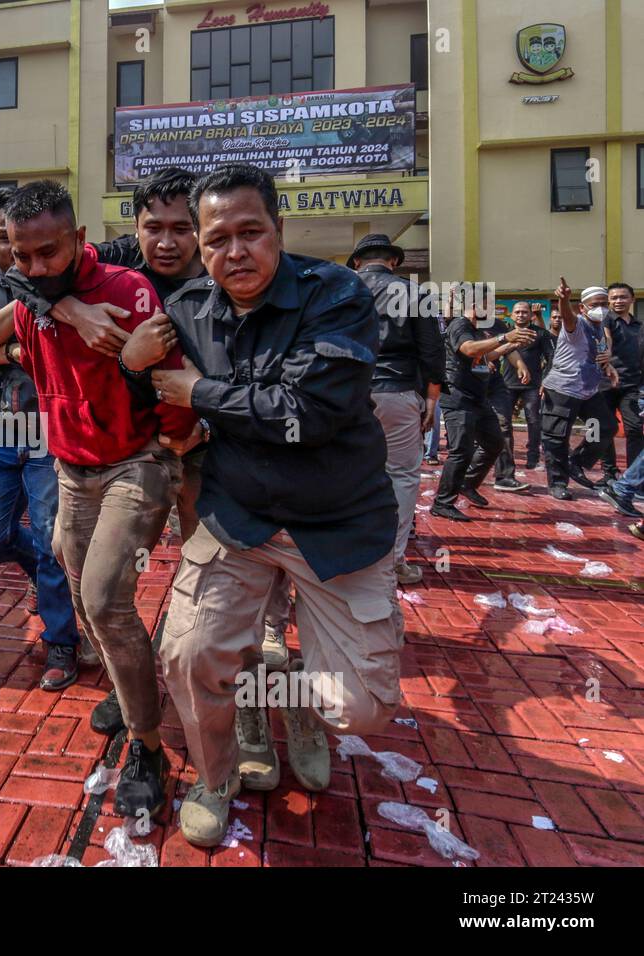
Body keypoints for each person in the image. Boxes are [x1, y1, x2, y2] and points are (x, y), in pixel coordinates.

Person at [141, 164, 404, 846]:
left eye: (251, 232)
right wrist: (128, 358)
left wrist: (199, 394)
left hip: (338, 522)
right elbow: (145, 377)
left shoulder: (337, 295)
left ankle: (298, 706)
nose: (235, 252)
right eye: (217, 238)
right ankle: (218, 772)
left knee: (362, 708)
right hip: (240, 518)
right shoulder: (188, 310)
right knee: (189, 654)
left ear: (279, 231)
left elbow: (310, 412)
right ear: (201, 247)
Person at [4, 180, 198, 819]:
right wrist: (52, 304)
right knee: (75, 573)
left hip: (136, 462)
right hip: (69, 467)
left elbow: (162, 382)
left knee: (104, 597)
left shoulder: (127, 290)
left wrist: (173, 450)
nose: (35, 267)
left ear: (80, 239)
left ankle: (146, 746)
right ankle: (126, 680)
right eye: (20, 254)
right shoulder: (34, 295)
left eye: (49, 253)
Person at [0, 188, 84, 690]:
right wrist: (32, 308)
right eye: (10, 241)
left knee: (55, 536)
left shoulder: (62, 275)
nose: (23, 252)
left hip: (51, 424)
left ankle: (61, 639)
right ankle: (51, 583)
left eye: (34, 244)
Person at [347, 233, 445, 584]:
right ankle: (390, 562)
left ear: (358, 261)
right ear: (393, 261)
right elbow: (433, 350)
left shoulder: (339, 290)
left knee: (347, 475)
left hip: (345, 395)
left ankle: (348, 557)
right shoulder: (415, 293)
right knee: (400, 477)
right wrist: (432, 398)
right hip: (397, 392)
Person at [429, 299, 535, 521]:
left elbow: (487, 356)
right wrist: (505, 338)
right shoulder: (460, 325)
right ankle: (442, 502)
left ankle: (468, 483)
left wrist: (513, 349)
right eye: (483, 305)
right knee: (461, 450)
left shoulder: (491, 327)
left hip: (479, 396)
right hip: (457, 395)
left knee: (495, 443)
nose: (488, 310)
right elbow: (468, 349)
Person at [542, 281, 618, 500]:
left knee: (604, 426)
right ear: (583, 308)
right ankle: (557, 483)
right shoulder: (576, 325)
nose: (601, 308)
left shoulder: (599, 329)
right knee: (557, 438)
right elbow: (567, 316)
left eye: (604, 303)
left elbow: (601, 354)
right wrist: (564, 300)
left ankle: (577, 462)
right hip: (562, 390)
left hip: (589, 391)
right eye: (595, 304)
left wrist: (609, 366)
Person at [575, 282, 641, 482]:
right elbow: (605, 340)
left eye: (623, 297)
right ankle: (608, 472)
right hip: (602, 383)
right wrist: (607, 352)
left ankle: (632, 476)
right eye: (614, 298)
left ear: (632, 300)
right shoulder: (603, 320)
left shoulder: (639, 326)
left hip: (631, 385)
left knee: (635, 428)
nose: (618, 301)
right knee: (601, 427)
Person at [490, 301, 552, 488]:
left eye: (525, 312)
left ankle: (532, 456)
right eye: (517, 312)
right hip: (506, 385)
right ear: (511, 315)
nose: (521, 315)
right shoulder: (505, 334)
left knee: (534, 421)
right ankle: (505, 468)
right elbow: (493, 352)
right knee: (504, 424)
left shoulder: (540, 334)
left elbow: (551, 359)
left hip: (532, 385)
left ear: (531, 315)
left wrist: (545, 381)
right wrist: (489, 361)